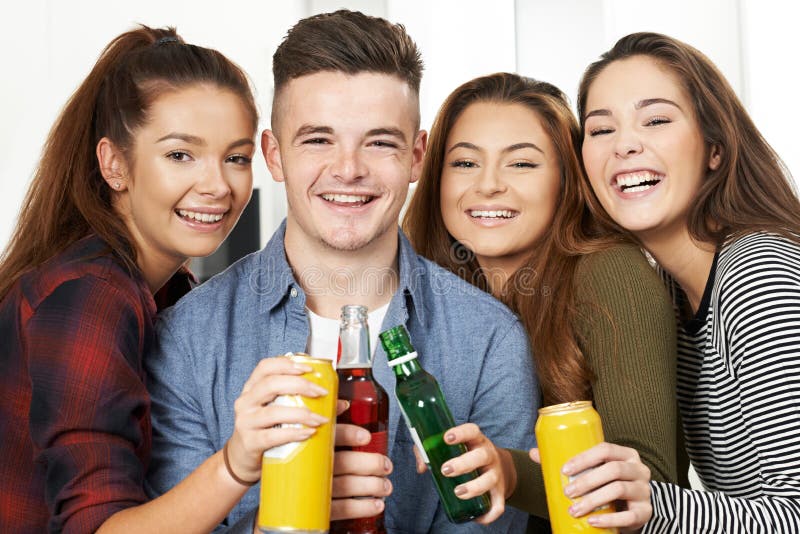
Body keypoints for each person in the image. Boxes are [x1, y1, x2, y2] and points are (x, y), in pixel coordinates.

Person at [144, 10, 537, 533]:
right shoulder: (185, 338)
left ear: (416, 156)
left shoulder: (491, 340)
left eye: (380, 142)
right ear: (274, 155)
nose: (348, 169)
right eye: (318, 140)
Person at [0, 26, 330, 534]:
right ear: (114, 164)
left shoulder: (173, 293)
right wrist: (236, 465)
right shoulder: (91, 297)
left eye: (236, 158)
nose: (217, 186)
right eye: (180, 155)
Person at [402, 72, 681, 531]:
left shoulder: (610, 274)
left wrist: (507, 471)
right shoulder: (428, 287)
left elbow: (647, 483)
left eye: (521, 164)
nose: (488, 185)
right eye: (465, 163)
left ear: (566, 180)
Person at [577, 32, 800, 532]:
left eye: (656, 120)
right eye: (601, 129)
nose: (625, 144)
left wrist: (653, 506)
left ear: (714, 149)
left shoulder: (760, 272)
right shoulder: (670, 289)